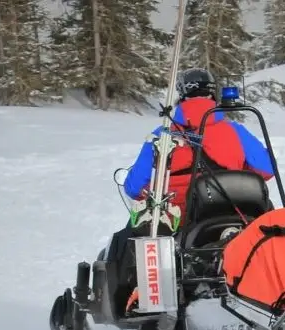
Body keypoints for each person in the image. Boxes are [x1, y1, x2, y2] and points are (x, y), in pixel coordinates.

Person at [115, 68, 274, 312]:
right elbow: (266, 169)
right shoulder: (235, 131)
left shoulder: (163, 136)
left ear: (181, 95)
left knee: (126, 241)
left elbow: (135, 186)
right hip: (238, 212)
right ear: (213, 94)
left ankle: (131, 302)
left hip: (180, 218)